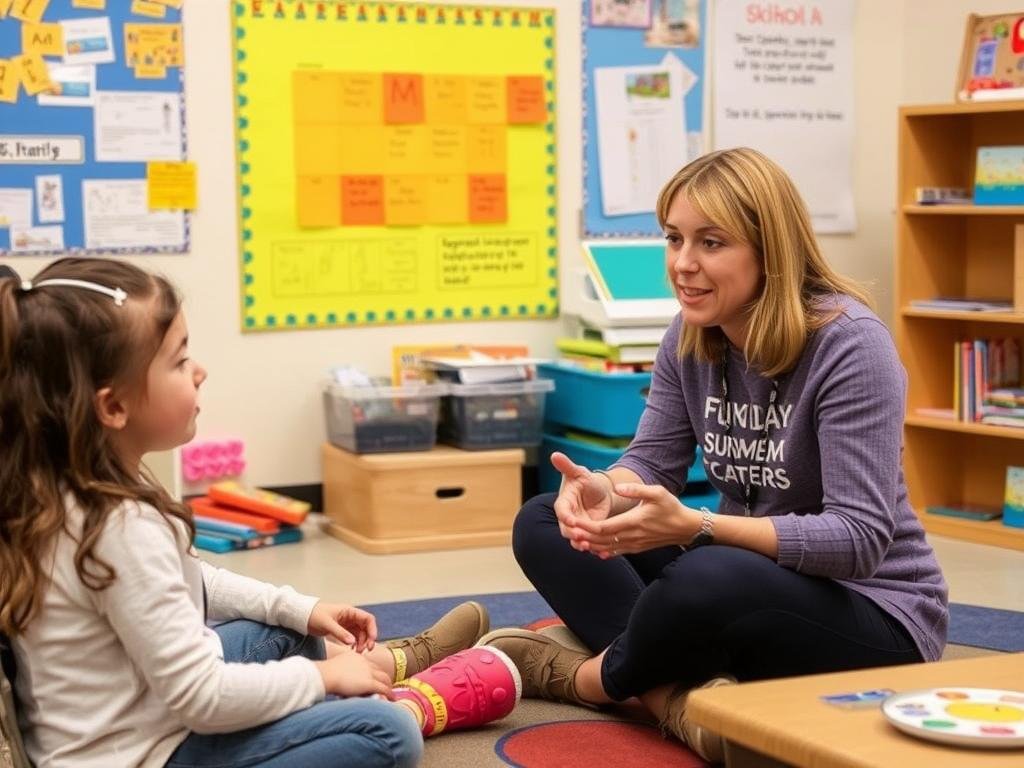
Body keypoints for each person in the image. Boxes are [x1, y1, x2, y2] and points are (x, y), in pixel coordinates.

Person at [478, 147, 949, 762]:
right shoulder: (690, 334)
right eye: (674, 239)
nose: (683, 264)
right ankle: (677, 697)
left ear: (769, 250)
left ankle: (585, 679)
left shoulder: (851, 347)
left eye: (711, 243)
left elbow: (859, 538)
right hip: (750, 585)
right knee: (544, 520)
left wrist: (699, 526)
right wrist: (604, 491)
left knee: (707, 572)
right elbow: (651, 461)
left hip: (877, 611)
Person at [0, 258, 521, 768]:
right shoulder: (118, 525)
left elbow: (188, 585)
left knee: (290, 629)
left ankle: (382, 665)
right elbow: (201, 698)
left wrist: (300, 607)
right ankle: (409, 702)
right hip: (149, 750)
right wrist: (321, 681)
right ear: (112, 407)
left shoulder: (77, 479)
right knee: (387, 732)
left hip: (139, 711)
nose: (200, 371)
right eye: (180, 362)